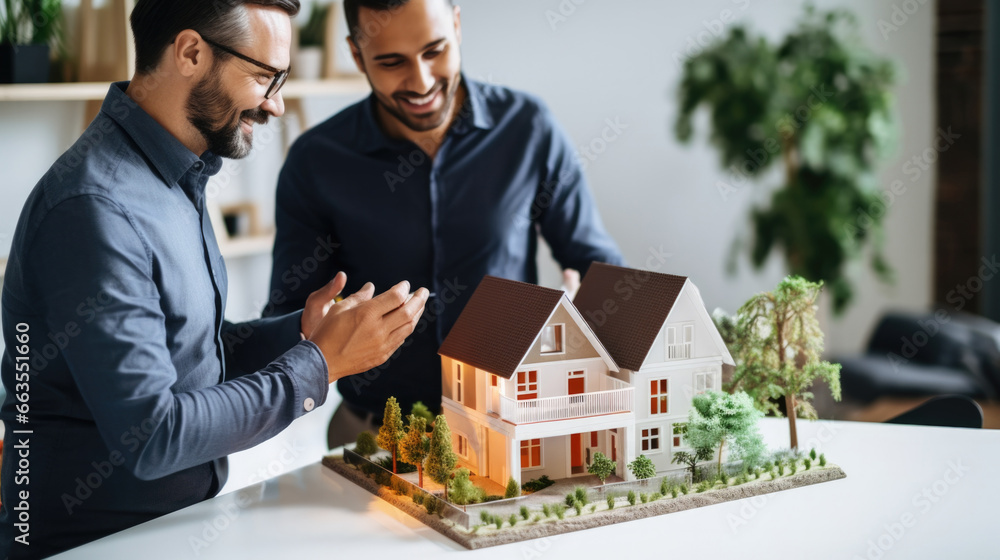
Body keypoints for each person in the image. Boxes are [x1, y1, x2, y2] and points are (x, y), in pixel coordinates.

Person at [0, 0, 428, 557]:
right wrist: (319, 367)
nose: (276, 105)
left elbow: (187, 349)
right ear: (191, 53)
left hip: (172, 531)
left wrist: (302, 332)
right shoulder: (95, 208)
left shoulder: (178, 175)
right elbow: (152, 434)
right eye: (263, 76)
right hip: (89, 544)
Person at [265, 0, 625, 450]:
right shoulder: (315, 162)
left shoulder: (529, 129)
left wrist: (582, 322)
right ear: (357, 56)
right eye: (391, 61)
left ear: (456, 26)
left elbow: (599, 270)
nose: (421, 82)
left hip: (511, 429)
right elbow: (285, 318)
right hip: (374, 437)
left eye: (434, 51)